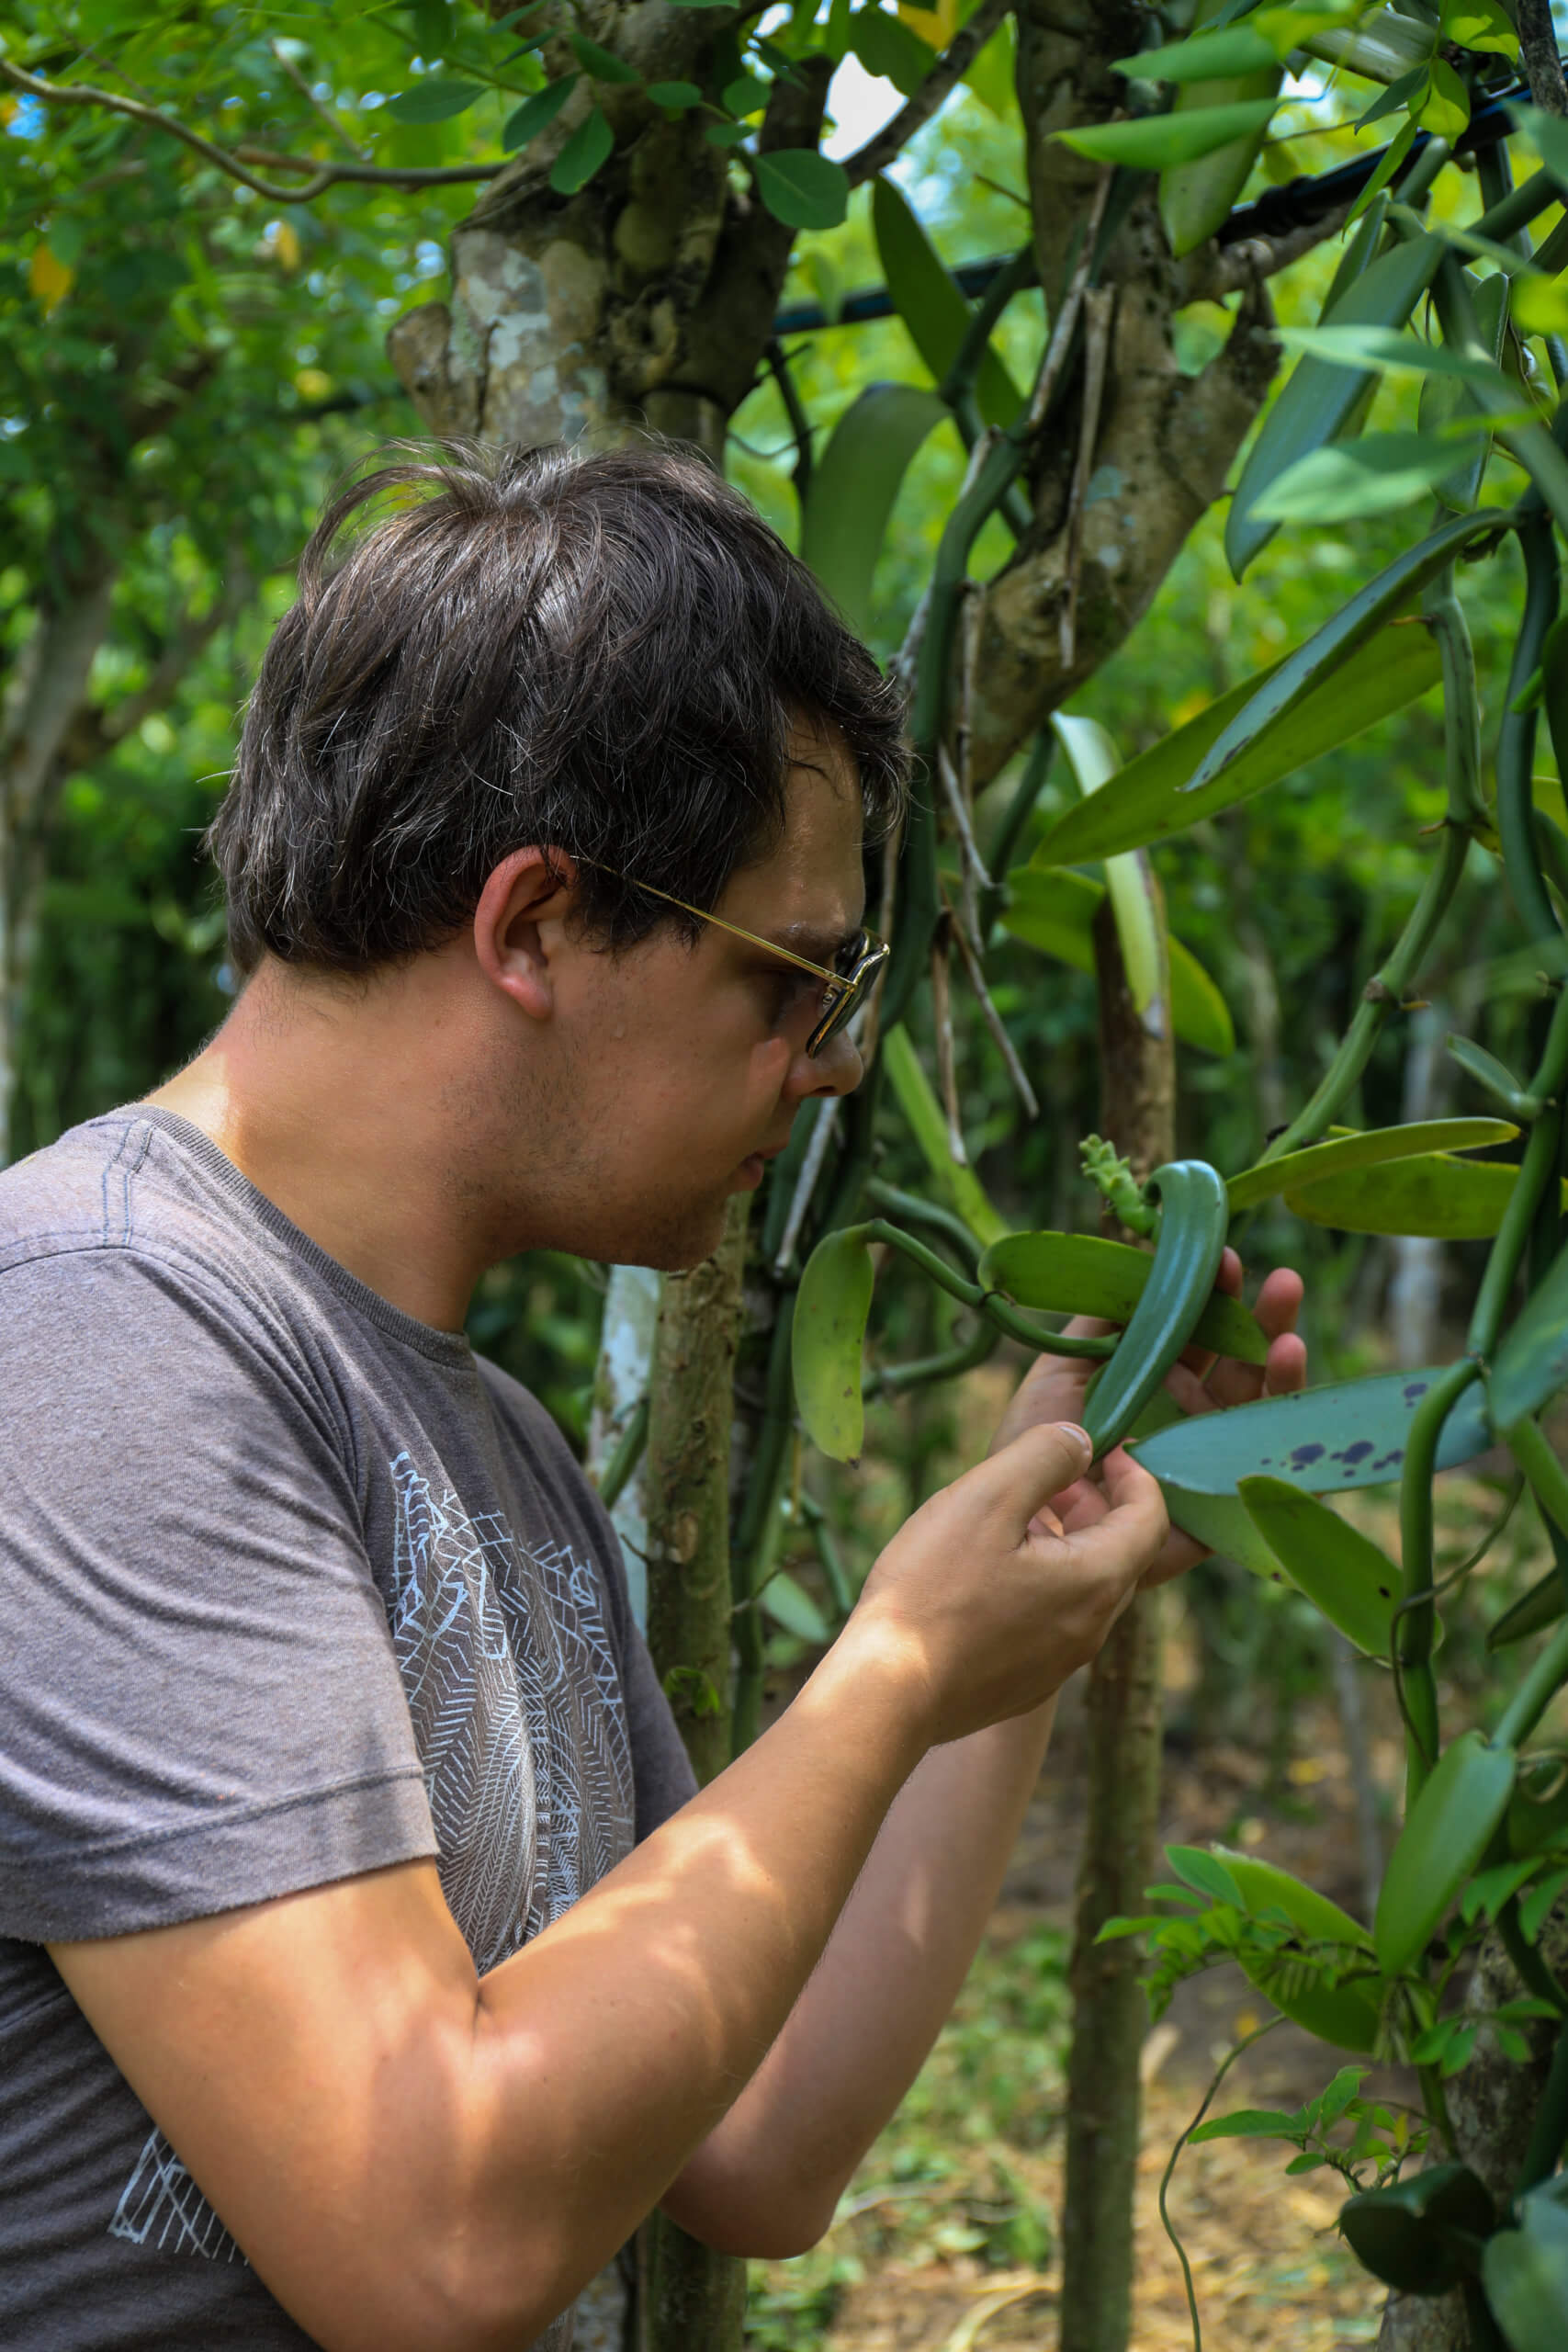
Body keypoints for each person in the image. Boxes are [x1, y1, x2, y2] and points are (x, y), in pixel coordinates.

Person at [0, 441, 1305, 2352]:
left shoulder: (491, 1442)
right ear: (532, 925)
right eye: (798, 976)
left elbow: (751, 2136)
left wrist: (999, 1631)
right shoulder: (99, 1334)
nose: (832, 1065)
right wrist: (882, 1668)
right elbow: (427, 2238)